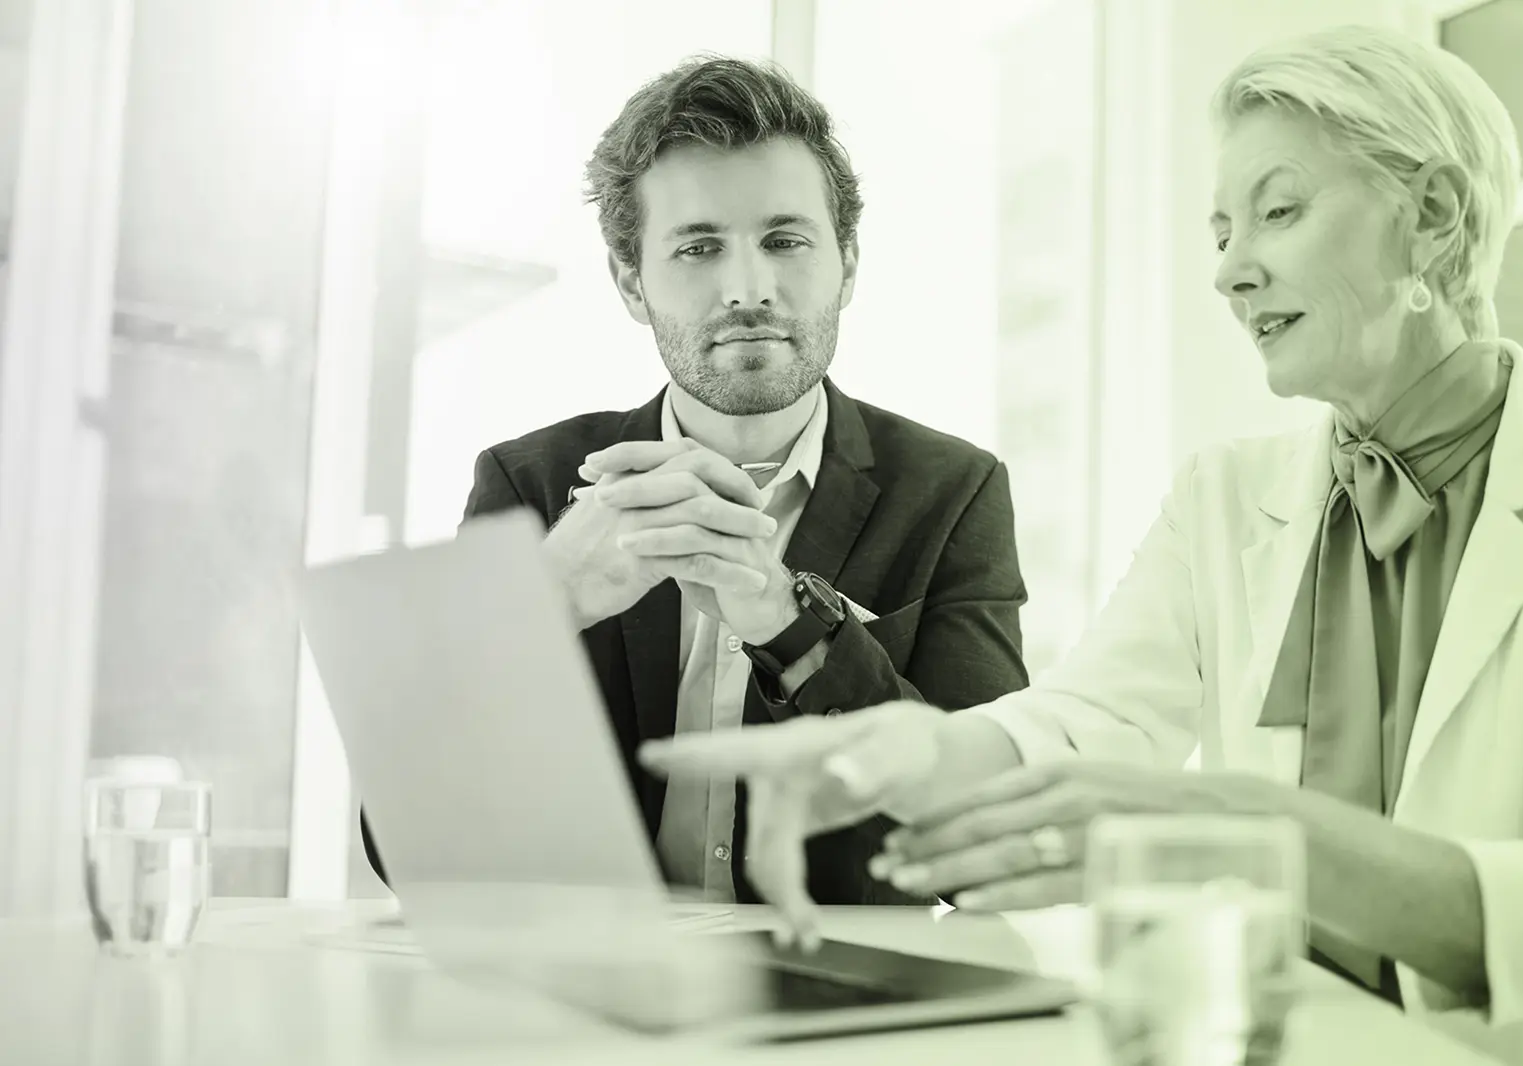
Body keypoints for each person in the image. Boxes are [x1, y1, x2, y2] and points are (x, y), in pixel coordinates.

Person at [638, 25, 1523, 1066]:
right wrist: (899, 754)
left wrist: (1235, 827)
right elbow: (1087, 720)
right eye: (1221, 231)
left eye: (1277, 213)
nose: (1228, 270)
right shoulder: (1224, 496)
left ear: (1433, 217)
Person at [359, 56, 1031, 910]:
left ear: (848, 263)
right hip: (592, 1013)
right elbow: (405, 848)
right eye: (698, 247)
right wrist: (545, 602)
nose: (747, 288)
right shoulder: (526, 484)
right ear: (631, 281)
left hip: (838, 1017)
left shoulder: (953, 491)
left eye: (784, 241)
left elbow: (988, 842)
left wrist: (793, 629)